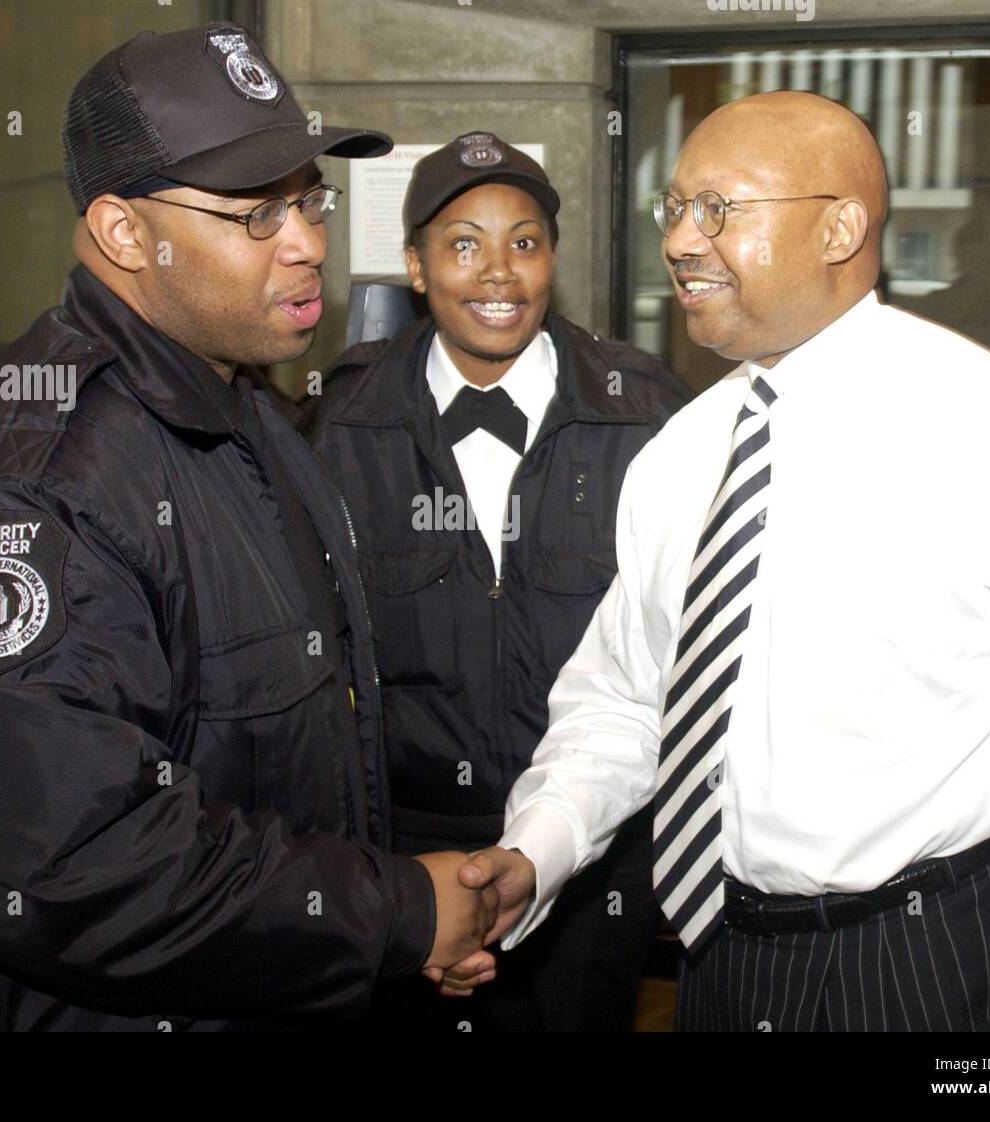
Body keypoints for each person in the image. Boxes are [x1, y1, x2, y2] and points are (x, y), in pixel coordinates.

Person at [0, 22, 497, 1032]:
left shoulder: (251, 412)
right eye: (254, 214)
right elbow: (68, 871)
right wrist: (393, 911)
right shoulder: (26, 497)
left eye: (308, 198)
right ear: (124, 234)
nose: (307, 240)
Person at [443, 91, 990, 1032]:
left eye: (719, 209)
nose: (680, 240)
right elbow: (627, 699)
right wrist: (537, 850)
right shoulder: (680, 452)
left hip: (930, 970)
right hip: (719, 964)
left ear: (841, 226)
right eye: (673, 208)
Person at [304, 132, 690, 1030]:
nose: (499, 274)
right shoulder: (336, 427)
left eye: (525, 242)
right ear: (414, 265)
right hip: (406, 864)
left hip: (597, 861)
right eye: (463, 244)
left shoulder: (649, 415)